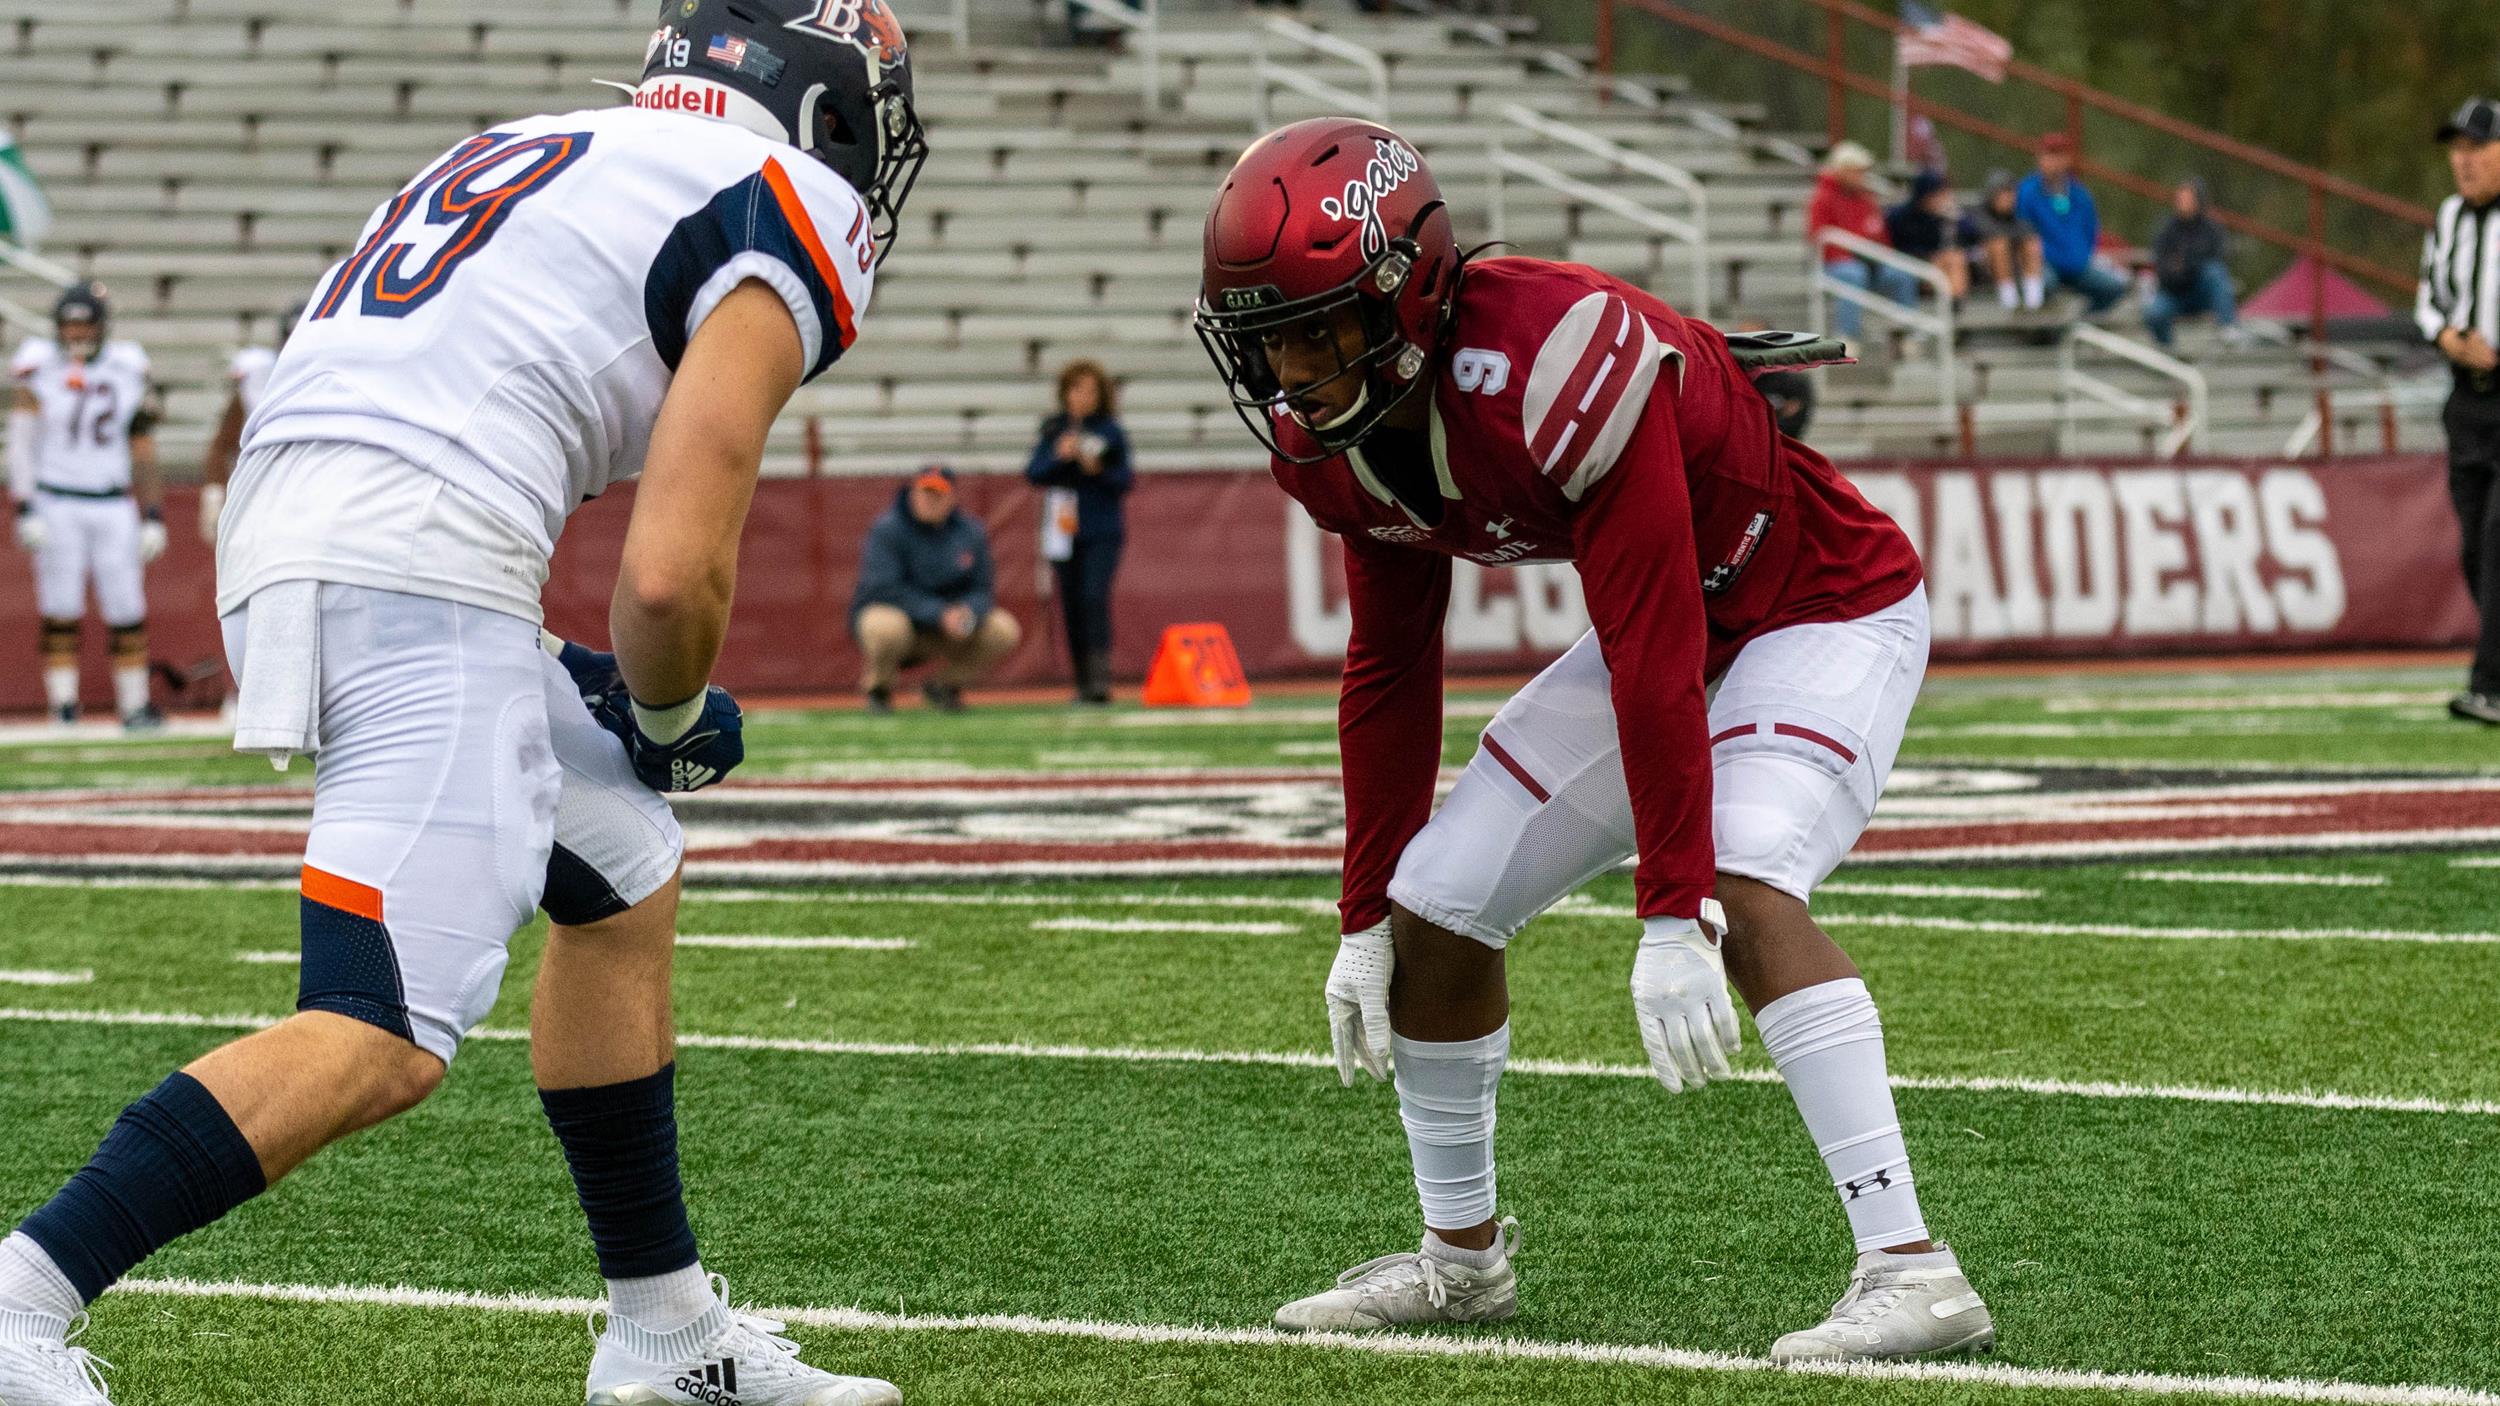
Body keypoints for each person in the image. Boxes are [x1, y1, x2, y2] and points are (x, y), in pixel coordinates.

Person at [0, 3, 927, 1403]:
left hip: (315, 516)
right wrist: (669, 719)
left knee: (620, 866)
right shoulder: (784, 194)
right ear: (825, 104)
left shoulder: (544, 138)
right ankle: (23, 1296)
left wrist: (613, 707)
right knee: (380, 1023)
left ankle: (665, 1333)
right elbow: (674, 580)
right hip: (405, 553)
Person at [1195, 119, 1988, 1363]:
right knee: (1436, 903)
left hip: (1818, 602)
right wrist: (1360, 912)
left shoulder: (1555, 363)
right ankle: (1462, 1264)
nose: (1290, 371)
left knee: (1741, 875)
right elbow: (1390, 668)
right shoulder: (1335, 445)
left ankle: (1913, 1268)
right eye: (1267, 339)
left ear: (1408, 287)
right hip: (1681, 624)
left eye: (1316, 328)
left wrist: (1671, 910)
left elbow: (1654, 646)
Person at [7, 281, 166, 730]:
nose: (76, 333)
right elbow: (21, 445)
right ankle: (63, 708)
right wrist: (25, 505)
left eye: (85, 323)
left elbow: (143, 446)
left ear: (101, 326)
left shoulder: (127, 367)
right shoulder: (38, 368)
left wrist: (153, 515)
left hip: (114, 503)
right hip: (57, 500)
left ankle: (133, 706)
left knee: (127, 608)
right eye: (69, 325)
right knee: (61, 608)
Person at [2418, 96, 2500, 725]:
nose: (2463, 161)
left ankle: (2489, 684)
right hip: (2465, 405)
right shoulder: (2447, 218)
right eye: (2457, 149)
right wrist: (2451, 339)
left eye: (2476, 147)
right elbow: (2428, 298)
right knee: (2474, 546)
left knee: (2498, 543)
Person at [851, 465, 1020, 713]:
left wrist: (968, 611)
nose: (929, 500)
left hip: (951, 627)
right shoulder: (888, 529)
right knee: (884, 627)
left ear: (952, 498)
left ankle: (943, 686)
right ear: (912, 494)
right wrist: (938, 613)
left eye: (937, 494)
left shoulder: (970, 531)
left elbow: (983, 588)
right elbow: (884, 587)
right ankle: (879, 689)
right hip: (904, 623)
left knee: (1004, 629)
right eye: (924, 492)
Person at [1025, 359, 1132, 704]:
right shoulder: (1055, 429)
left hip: (1100, 528)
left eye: (1090, 390)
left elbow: (1124, 479)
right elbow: (1034, 472)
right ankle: (1082, 681)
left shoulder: (1110, 431)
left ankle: (1100, 680)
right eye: (1076, 390)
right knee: (1070, 603)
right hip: (1063, 529)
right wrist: (1060, 456)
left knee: (1092, 597)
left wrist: (1097, 467)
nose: (1083, 397)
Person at [198, 303, 300, 546]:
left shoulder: (334, 377)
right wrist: (214, 493)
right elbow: (223, 441)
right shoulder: (257, 372)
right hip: (259, 495)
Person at [1806, 141, 1918, 341]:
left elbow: (1880, 237)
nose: (1861, 176)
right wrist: (1853, 253)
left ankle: (1907, 336)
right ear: (1842, 171)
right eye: (1856, 171)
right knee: (1853, 274)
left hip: (1868, 263)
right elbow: (1818, 238)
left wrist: (1876, 254)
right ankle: (1848, 338)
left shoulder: (1867, 200)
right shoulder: (1822, 198)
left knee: (1902, 275)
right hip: (1834, 264)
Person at [2015, 133, 2127, 314]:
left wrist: (2081, 256)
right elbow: (2023, 232)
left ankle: (2081, 325)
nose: (2054, 161)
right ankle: (2045, 333)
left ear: (2067, 159)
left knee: (2114, 287)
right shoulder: (2027, 192)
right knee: (2044, 284)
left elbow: (2091, 230)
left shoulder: (2080, 194)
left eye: (2059, 155)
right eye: (2049, 155)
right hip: (2045, 263)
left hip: (2077, 264)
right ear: (2039, 158)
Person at [2144, 177, 2240, 348]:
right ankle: (2168, 352)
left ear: (2198, 201)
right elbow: (2164, 268)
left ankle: (2228, 327)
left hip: (2200, 291)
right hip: (2173, 292)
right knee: (2154, 313)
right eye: (2180, 199)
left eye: (2187, 199)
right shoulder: (2167, 230)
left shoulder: (2211, 229)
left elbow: (2218, 261)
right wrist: (2190, 263)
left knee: (2214, 272)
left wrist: (2184, 264)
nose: (2182, 203)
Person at [1883, 170, 1970, 303]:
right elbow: (1896, 247)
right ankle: (1950, 304)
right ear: (1924, 195)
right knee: (1945, 259)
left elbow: (1972, 235)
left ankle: (1954, 303)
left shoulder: (1940, 215)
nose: (1939, 198)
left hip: (1935, 264)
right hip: (1909, 265)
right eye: (1935, 194)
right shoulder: (1899, 216)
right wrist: (1928, 255)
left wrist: (1956, 216)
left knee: (1955, 257)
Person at [1965, 169, 2044, 310]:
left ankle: (2033, 302)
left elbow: (2026, 233)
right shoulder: (1976, 214)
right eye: (2004, 192)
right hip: (1978, 267)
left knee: (2031, 244)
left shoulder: (2016, 219)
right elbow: (1986, 233)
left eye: (2011, 193)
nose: (2009, 198)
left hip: (2013, 267)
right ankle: (2009, 301)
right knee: (1998, 244)